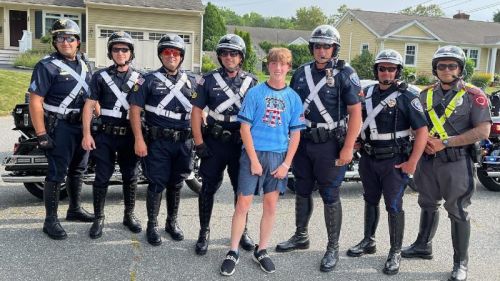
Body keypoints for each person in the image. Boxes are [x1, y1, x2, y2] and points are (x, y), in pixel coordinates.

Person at [275, 24, 362, 272]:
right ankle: (300, 236)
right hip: (302, 142)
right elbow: (291, 107)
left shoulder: (346, 74)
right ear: (312, 48)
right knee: (302, 189)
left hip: (330, 144)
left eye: (327, 46)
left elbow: (356, 114)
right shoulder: (301, 72)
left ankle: (332, 247)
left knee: (330, 194)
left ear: (334, 49)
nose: (322, 51)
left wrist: (348, 148)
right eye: (317, 46)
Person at [401, 45, 491, 281]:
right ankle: (423, 246)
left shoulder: (474, 96)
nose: (447, 70)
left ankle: (460, 263)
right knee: (427, 202)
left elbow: (483, 131)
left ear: (460, 68)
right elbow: (415, 125)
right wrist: (420, 138)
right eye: (442, 66)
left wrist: (446, 142)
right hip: (428, 160)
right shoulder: (425, 94)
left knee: (458, 210)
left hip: (456, 161)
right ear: (435, 69)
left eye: (452, 65)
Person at [219, 47, 305, 276]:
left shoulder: (293, 98)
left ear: (288, 68)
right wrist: (254, 160)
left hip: (278, 157)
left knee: (270, 206)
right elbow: (244, 127)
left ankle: (262, 249)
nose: (278, 68)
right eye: (274, 64)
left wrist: (287, 164)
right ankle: (233, 250)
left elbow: (296, 133)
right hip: (253, 154)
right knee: (243, 204)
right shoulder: (256, 93)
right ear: (268, 66)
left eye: (282, 64)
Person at [345, 49, 428, 275]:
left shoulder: (408, 96)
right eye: (382, 68)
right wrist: (357, 142)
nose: (387, 73)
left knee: (393, 205)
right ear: (376, 70)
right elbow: (357, 120)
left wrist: (412, 162)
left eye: (391, 69)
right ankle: (368, 241)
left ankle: (395, 251)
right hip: (369, 159)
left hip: (395, 161)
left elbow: (421, 131)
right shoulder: (366, 93)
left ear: (398, 71)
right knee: (370, 200)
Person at [191, 34, 258, 255]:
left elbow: (258, 115)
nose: (229, 57)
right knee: (208, 188)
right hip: (215, 141)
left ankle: (243, 231)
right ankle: (203, 232)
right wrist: (199, 142)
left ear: (241, 57)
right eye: (224, 53)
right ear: (219, 56)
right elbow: (196, 111)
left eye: (234, 53)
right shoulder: (207, 80)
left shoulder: (252, 82)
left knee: (242, 191)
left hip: (241, 143)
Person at [28, 18, 94, 240]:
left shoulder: (86, 64)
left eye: (70, 38)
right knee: (57, 173)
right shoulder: (46, 65)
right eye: (60, 38)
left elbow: (91, 95)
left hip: (82, 126)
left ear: (78, 42)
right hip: (60, 126)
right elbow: (35, 101)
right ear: (54, 42)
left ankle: (74, 209)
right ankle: (50, 221)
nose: (65, 42)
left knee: (79, 169)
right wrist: (41, 134)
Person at [129, 34, 196, 246]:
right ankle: (152, 225)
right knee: (157, 184)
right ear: (161, 55)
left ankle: (171, 223)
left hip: (184, 142)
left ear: (182, 56)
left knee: (176, 184)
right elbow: (134, 110)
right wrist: (139, 139)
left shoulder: (193, 81)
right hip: (158, 142)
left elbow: (201, 109)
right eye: (167, 52)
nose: (171, 56)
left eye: (175, 52)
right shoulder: (147, 80)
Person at [81, 32, 142, 239]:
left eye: (124, 49)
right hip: (105, 136)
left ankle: (129, 215)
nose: (120, 53)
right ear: (110, 52)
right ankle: (99, 218)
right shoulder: (100, 76)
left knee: (130, 176)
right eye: (116, 49)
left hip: (129, 136)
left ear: (131, 53)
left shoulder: (140, 78)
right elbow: (89, 106)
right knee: (102, 177)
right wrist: (86, 134)